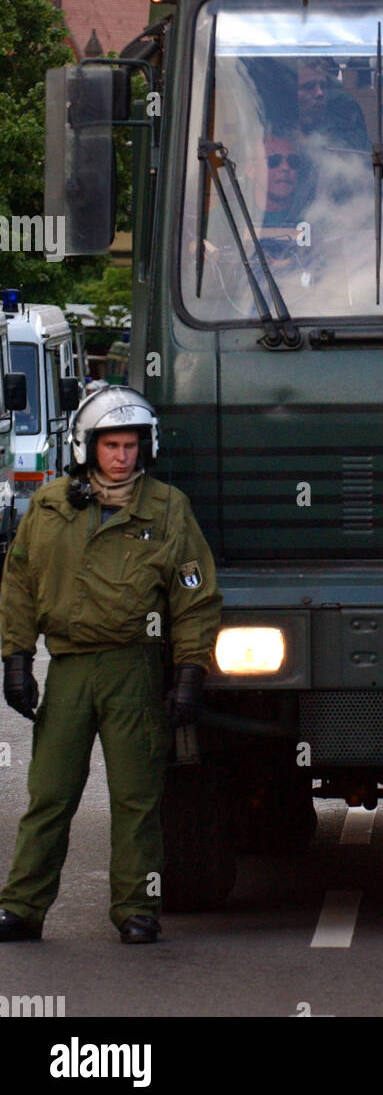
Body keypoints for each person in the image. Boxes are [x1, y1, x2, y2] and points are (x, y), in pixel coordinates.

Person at [0, 388, 221, 945]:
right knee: (49, 794)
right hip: (69, 668)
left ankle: (137, 908)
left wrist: (190, 671)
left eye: (131, 445)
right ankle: (23, 906)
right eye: (111, 445)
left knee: (136, 798)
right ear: (87, 446)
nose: (122, 456)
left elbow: (194, 597)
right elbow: (19, 585)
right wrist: (17, 658)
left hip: (134, 667)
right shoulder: (50, 507)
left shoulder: (168, 509)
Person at [297, 57, 370, 152]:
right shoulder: (275, 128)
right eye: (308, 87)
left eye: (323, 86)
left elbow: (363, 157)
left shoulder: (345, 128)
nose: (320, 93)